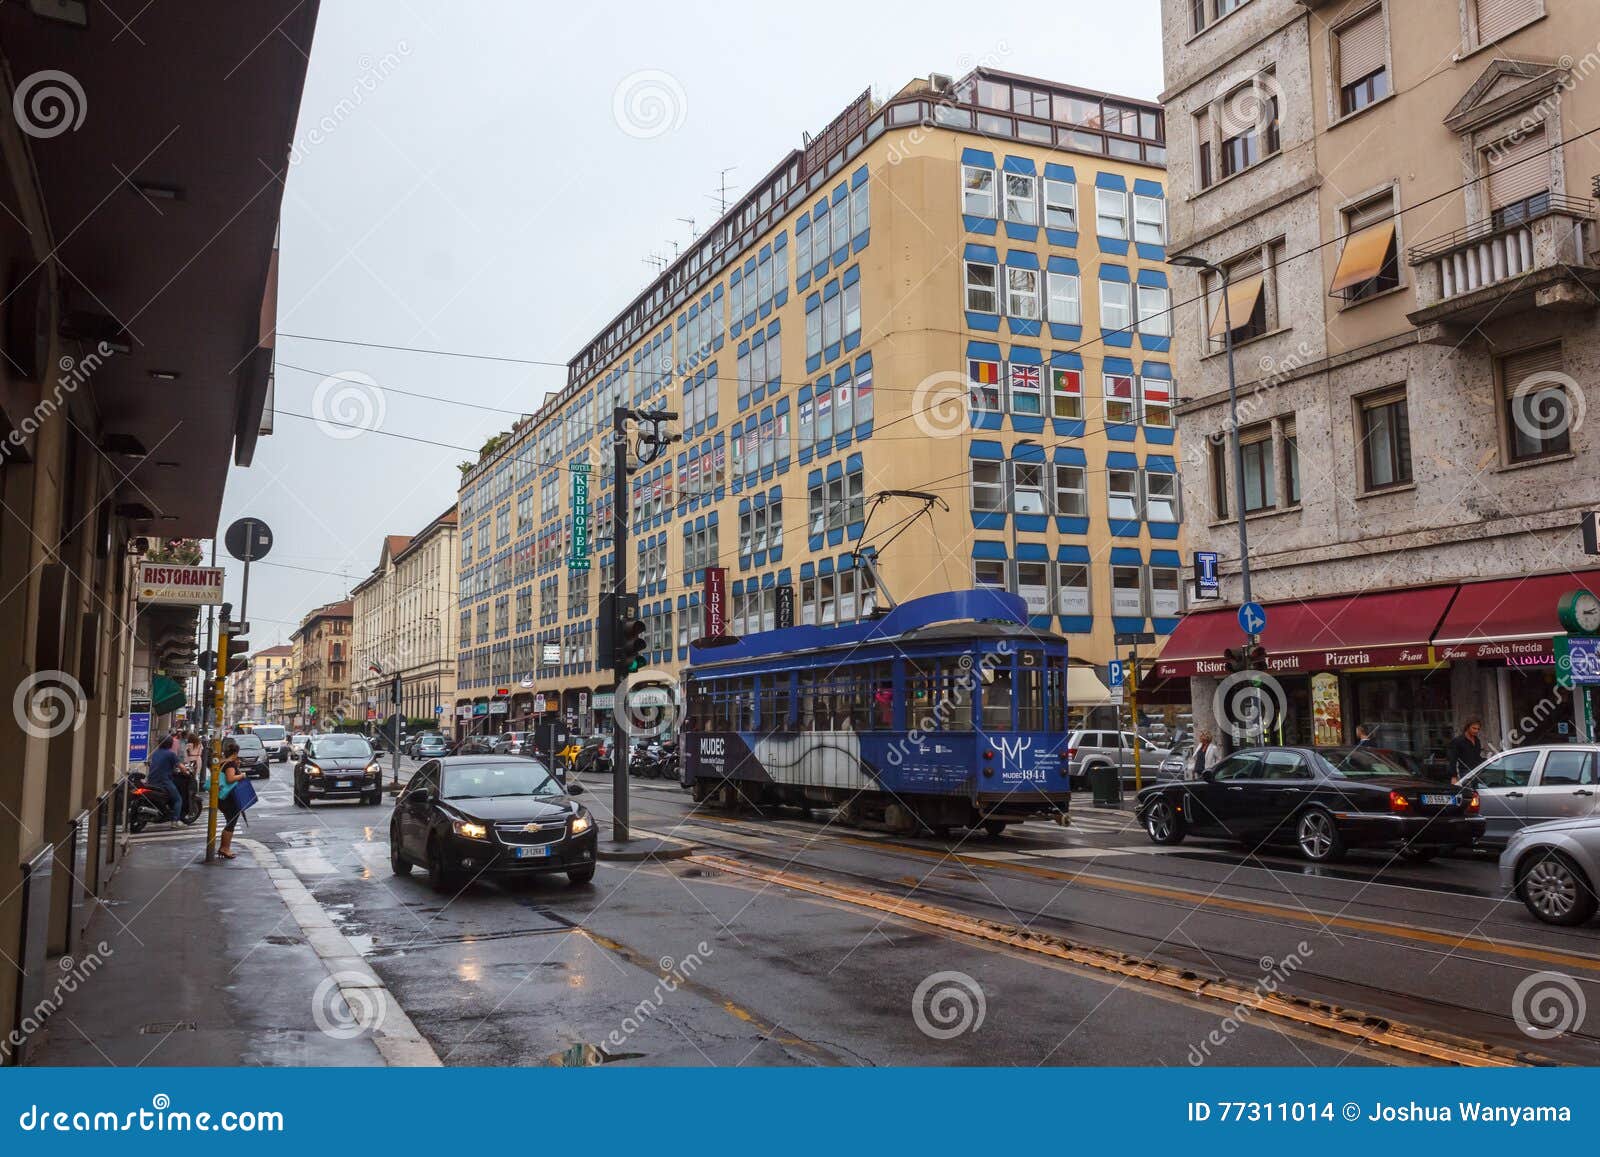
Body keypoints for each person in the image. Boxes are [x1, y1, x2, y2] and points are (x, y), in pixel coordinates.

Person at [216, 739, 249, 860]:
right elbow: (230, 779)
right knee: (231, 822)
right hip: (229, 798)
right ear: (236, 752)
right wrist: (242, 775)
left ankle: (224, 847)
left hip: (222, 797)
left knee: (230, 822)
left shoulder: (222, 762)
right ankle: (225, 848)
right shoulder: (230, 764)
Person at [146, 735, 184, 823]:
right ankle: (175, 821)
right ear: (170, 744)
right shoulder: (171, 754)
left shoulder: (155, 753)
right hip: (164, 781)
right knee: (178, 799)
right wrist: (186, 771)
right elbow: (181, 766)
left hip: (151, 780)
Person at [1447, 717, 1486, 784]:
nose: (1476, 731)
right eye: (1474, 728)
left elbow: (1477, 757)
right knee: (1468, 793)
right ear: (1467, 727)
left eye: (1478, 729)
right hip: (1465, 773)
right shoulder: (1458, 741)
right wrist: (1454, 777)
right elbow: (1452, 760)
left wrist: (1489, 760)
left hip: (1477, 772)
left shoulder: (1477, 740)